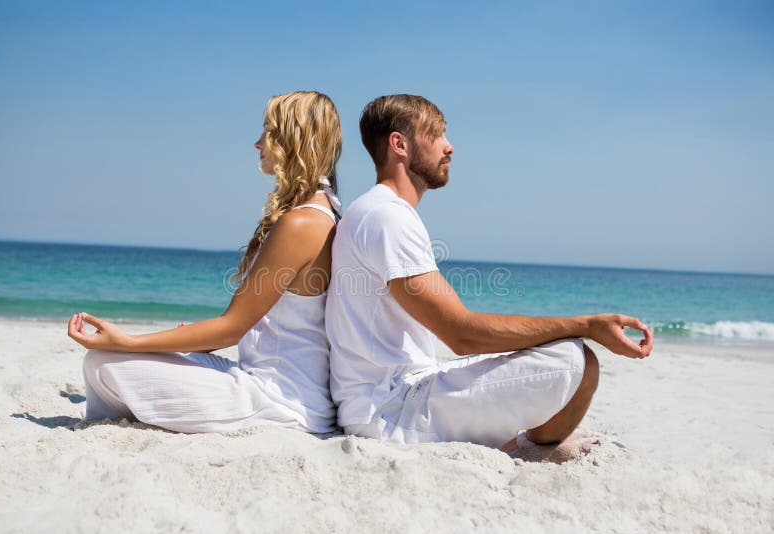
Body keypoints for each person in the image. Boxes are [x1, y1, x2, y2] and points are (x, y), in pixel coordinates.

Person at [326, 94, 653, 453]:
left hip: (387, 398)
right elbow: (461, 334)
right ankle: (530, 448)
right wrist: (586, 325)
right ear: (399, 144)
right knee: (578, 361)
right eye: (436, 134)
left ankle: (527, 441)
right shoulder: (388, 216)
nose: (449, 147)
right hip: (390, 412)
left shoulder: (374, 211)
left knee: (553, 353)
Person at [67, 91, 343, 434]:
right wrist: (184, 341)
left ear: (293, 140)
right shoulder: (320, 214)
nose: (257, 143)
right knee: (122, 358)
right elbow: (253, 325)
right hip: (271, 385)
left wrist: (127, 341)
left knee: (103, 362)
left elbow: (232, 328)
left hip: (278, 399)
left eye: (268, 131)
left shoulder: (301, 224)